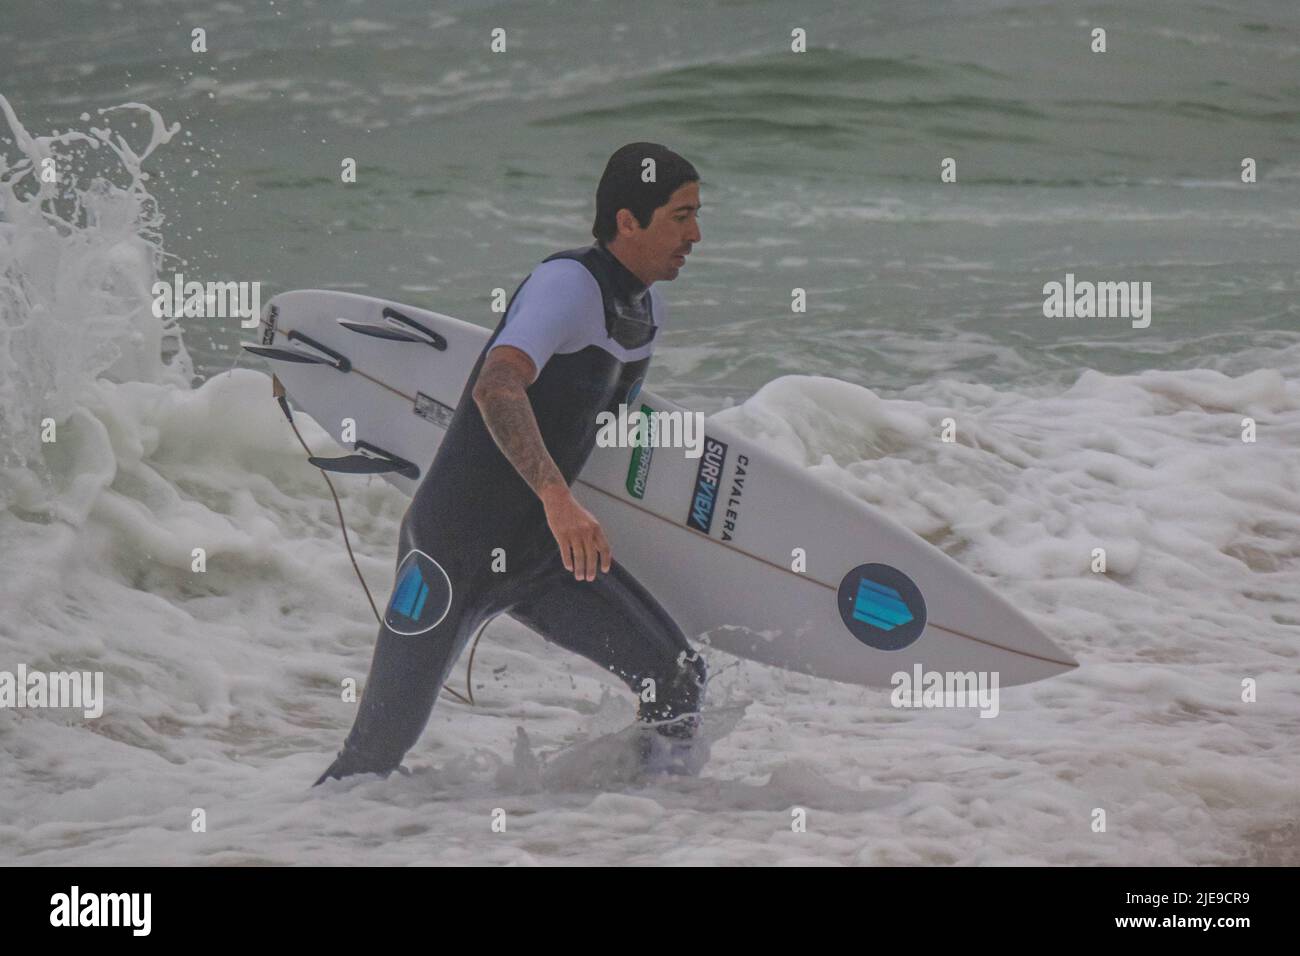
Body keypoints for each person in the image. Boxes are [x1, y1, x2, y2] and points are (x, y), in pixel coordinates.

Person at [316, 143, 707, 784]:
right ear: (628, 220)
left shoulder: (648, 306)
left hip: (539, 556)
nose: (696, 234)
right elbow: (497, 387)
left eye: (697, 214)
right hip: (451, 551)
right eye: (681, 215)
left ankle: (641, 829)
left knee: (677, 682)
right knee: (370, 760)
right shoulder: (568, 286)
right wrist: (558, 497)